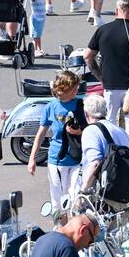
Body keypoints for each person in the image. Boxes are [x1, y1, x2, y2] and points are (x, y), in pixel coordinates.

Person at [85, 0, 129, 137]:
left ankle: (110, 153)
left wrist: (100, 76)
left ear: (117, 10)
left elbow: (87, 56)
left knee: (109, 122)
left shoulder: (103, 30)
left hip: (110, 84)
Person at [26, 69, 85, 206]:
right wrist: (32, 159)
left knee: (77, 200)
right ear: (64, 89)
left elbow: (89, 128)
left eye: (77, 88)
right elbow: (40, 135)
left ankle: (75, 226)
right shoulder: (50, 107)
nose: (77, 91)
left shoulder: (80, 105)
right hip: (57, 160)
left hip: (77, 160)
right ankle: (59, 226)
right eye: (74, 89)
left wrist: (78, 132)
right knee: (58, 202)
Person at [79, 94, 129, 193]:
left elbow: (95, 163)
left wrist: (83, 190)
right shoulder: (120, 131)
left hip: (101, 193)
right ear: (106, 111)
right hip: (123, 190)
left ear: (86, 113)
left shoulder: (90, 131)